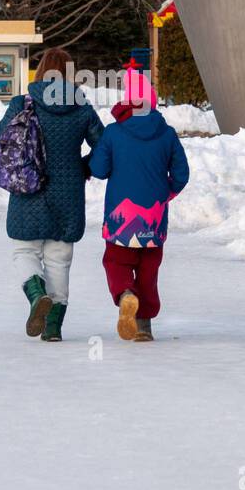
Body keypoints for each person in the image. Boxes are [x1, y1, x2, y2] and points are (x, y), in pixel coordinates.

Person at [0, 47, 104, 342]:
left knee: (24, 251)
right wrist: (84, 167)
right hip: (68, 194)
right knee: (59, 259)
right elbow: (103, 147)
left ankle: (37, 294)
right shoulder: (82, 108)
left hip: (28, 189)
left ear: (41, 72)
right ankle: (52, 328)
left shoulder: (22, 104)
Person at [88, 68, 190, 343]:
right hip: (153, 216)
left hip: (121, 217)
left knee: (117, 261)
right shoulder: (167, 133)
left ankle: (125, 294)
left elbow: (98, 169)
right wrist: (166, 193)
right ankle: (143, 325)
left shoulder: (114, 132)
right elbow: (181, 175)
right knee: (148, 268)